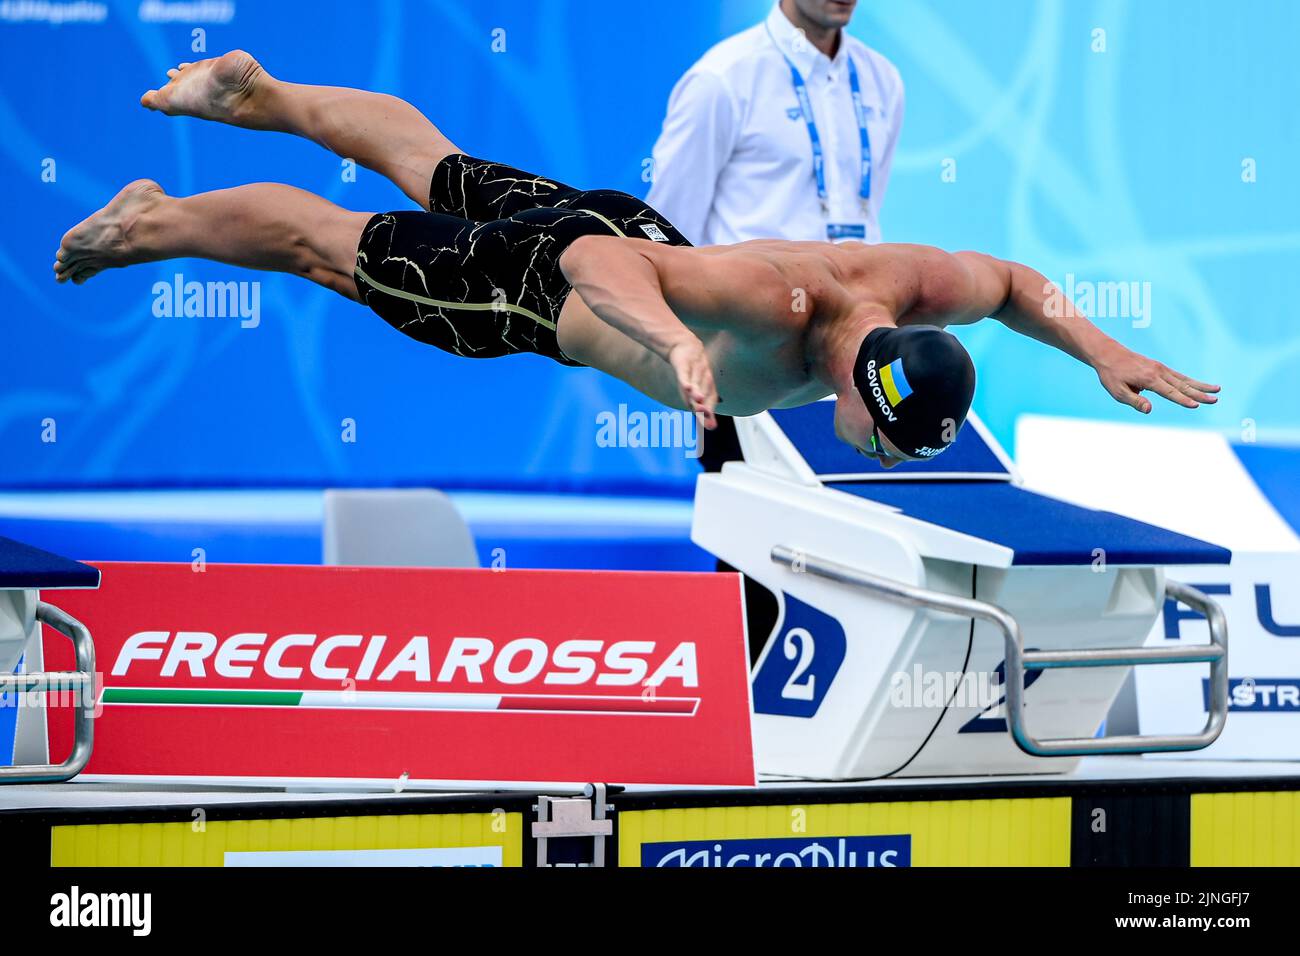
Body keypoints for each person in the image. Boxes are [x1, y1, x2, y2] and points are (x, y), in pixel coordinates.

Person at [55, 51, 1218, 470]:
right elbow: (592, 267)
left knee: (436, 163)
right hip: (539, 286)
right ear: (867, 389)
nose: (882, 455)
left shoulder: (913, 289)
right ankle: (153, 220)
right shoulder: (775, 307)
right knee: (327, 253)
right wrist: (669, 343)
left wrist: (1099, 349)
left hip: (632, 232)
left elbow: (1008, 281)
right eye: (887, 438)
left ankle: (262, 94)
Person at [648, 0, 904, 469]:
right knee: (748, 510)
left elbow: (868, 210)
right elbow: (666, 233)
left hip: (851, 354)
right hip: (749, 350)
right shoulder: (723, 79)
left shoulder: (883, 81)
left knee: (857, 510)